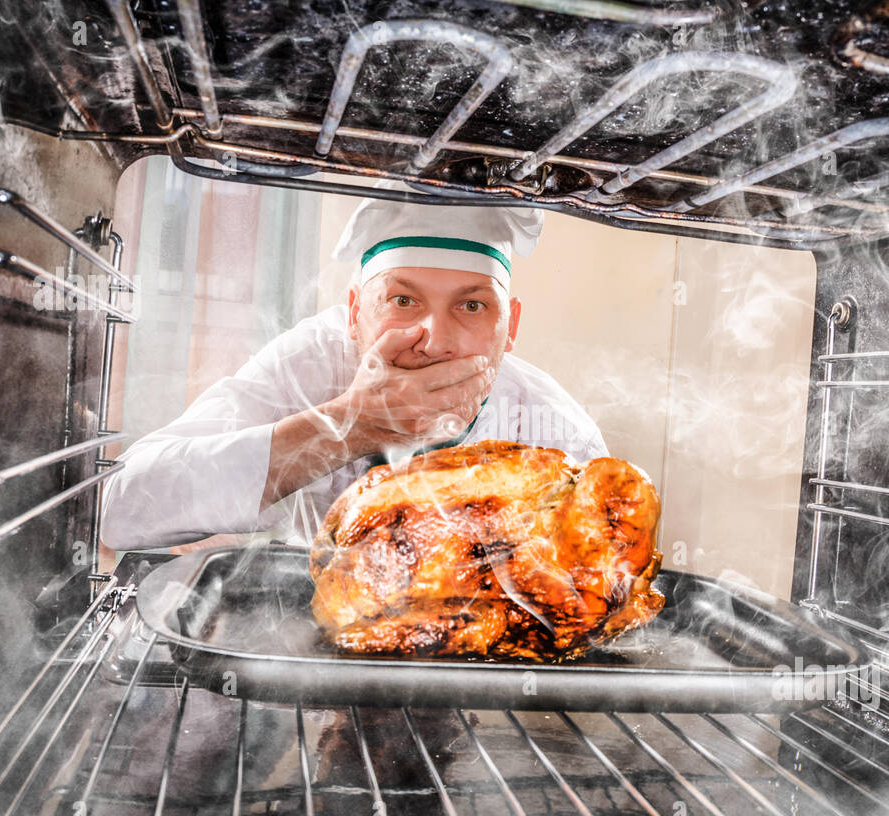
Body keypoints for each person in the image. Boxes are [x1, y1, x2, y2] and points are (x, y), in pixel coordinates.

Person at [99, 184, 608, 550]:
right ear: (354, 315)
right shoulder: (309, 364)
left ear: (510, 326)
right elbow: (122, 509)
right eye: (403, 300)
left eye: (471, 306)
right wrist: (347, 426)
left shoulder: (561, 436)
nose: (434, 340)